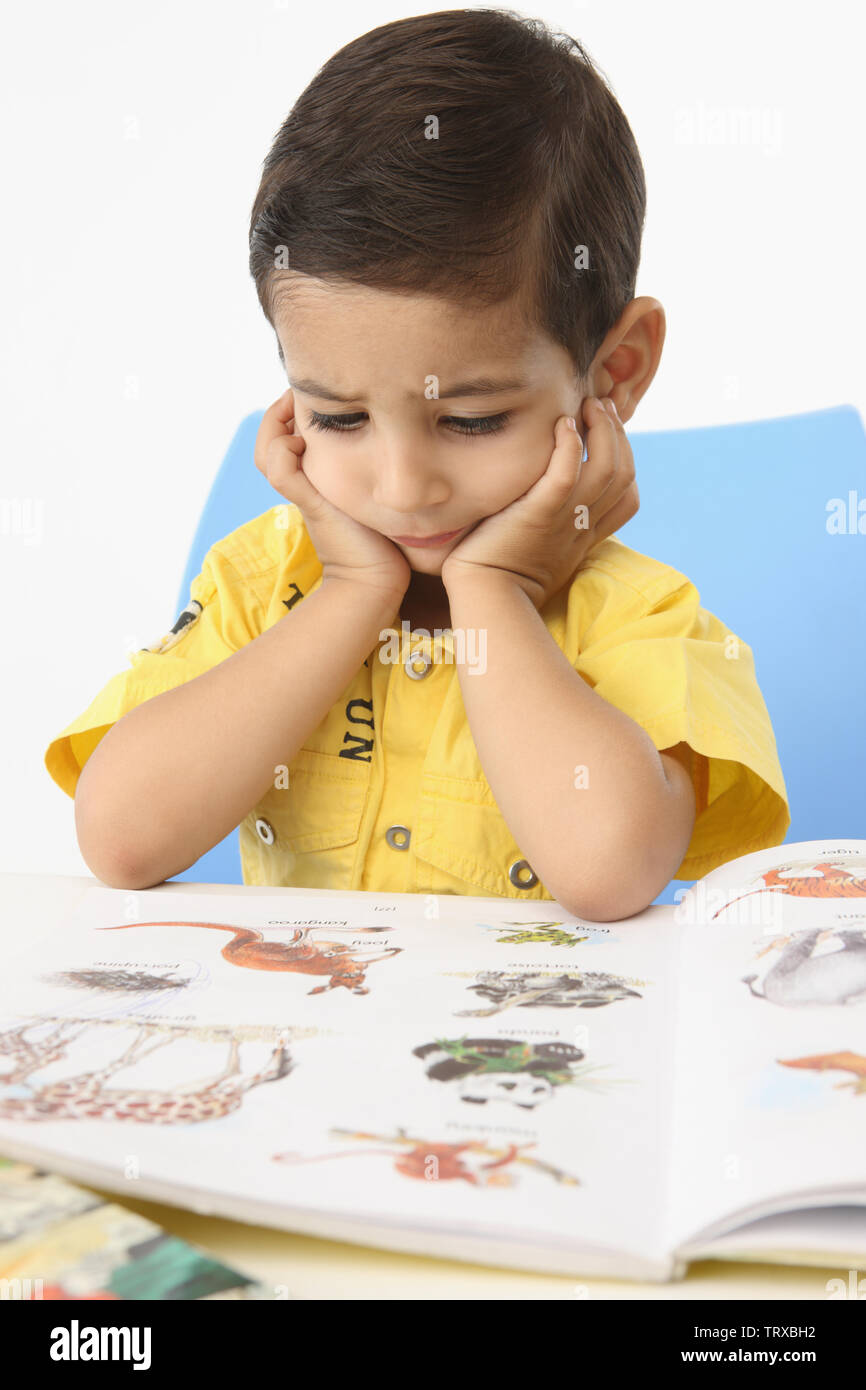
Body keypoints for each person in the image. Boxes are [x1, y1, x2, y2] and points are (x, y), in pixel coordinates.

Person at [44, 10, 790, 920]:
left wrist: (495, 591)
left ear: (615, 370)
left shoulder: (638, 619)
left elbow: (607, 872)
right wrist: (352, 591)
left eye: (471, 420)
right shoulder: (260, 588)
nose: (402, 488)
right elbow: (120, 841)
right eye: (339, 416)